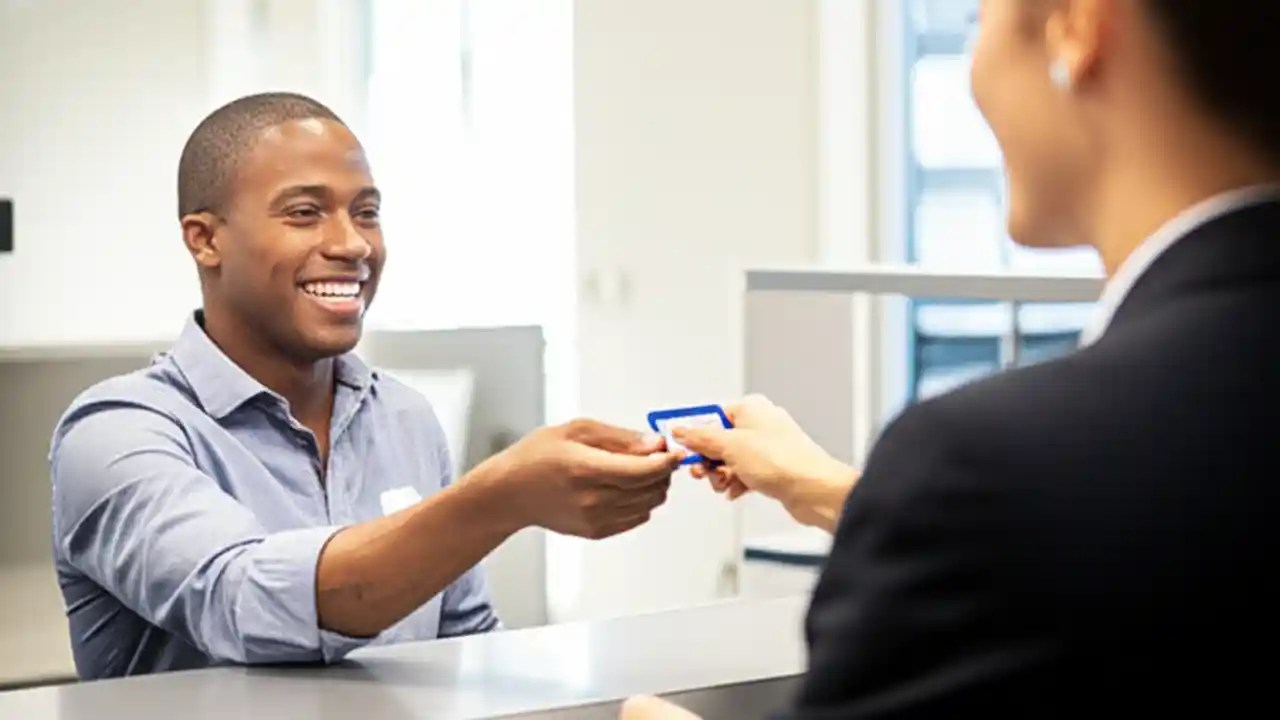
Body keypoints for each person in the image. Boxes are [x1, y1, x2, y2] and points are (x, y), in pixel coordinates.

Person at [624, 0, 1280, 716]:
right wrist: (831, 490)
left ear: (1079, 24)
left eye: (978, 20)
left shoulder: (978, 466)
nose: (972, 75)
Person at [49, 92, 683, 680]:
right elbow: (238, 602)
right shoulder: (117, 431)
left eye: (367, 213)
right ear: (206, 239)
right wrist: (497, 501)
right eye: (304, 213)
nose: (352, 244)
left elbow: (468, 647)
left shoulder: (405, 418)